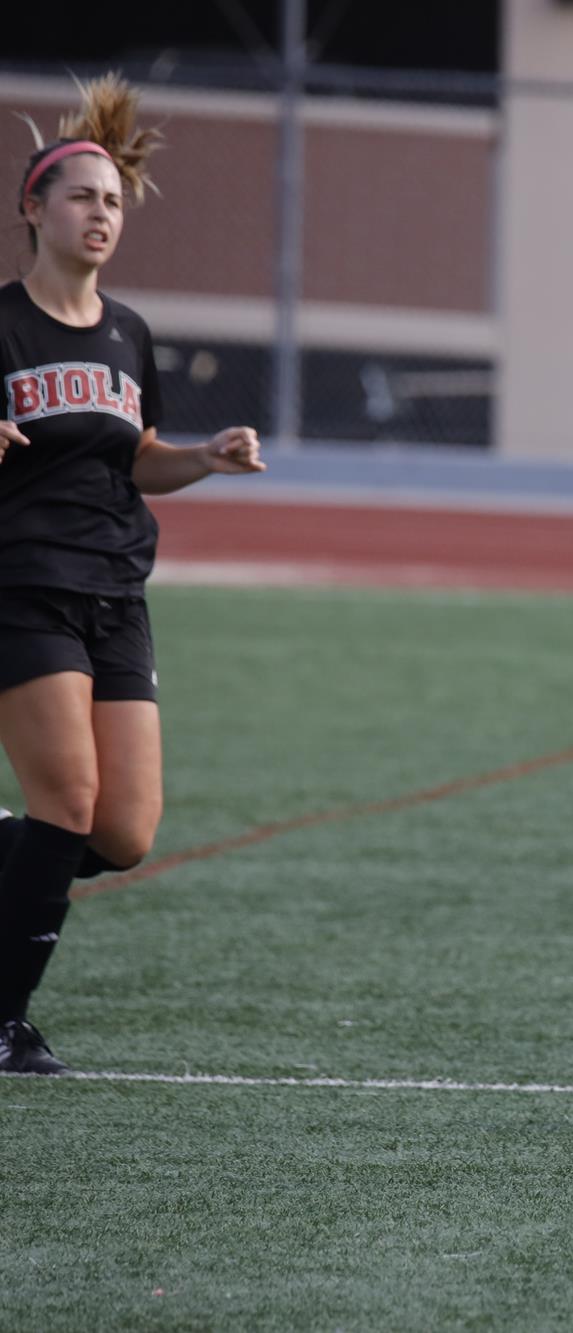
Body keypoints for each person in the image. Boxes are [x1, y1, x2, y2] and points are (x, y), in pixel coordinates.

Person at [0, 76, 265, 1074]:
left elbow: (137, 455)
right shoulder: (2, 326)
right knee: (65, 805)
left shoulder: (130, 333)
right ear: (34, 207)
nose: (100, 213)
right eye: (81, 196)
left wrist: (204, 456)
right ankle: (7, 1019)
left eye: (112, 200)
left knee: (120, 830)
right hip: (23, 585)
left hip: (119, 591)